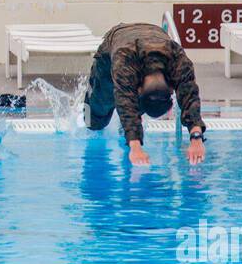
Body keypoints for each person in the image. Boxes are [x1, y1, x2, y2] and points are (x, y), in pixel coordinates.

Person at [83, 22, 206, 165]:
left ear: (171, 87)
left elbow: (189, 94)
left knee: (136, 110)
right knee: (94, 120)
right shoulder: (124, 59)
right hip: (117, 40)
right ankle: (86, 115)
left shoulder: (176, 59)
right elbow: (125, 99)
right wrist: (135, 147)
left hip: (153, 32)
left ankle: (128, 131)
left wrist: (196, 137)